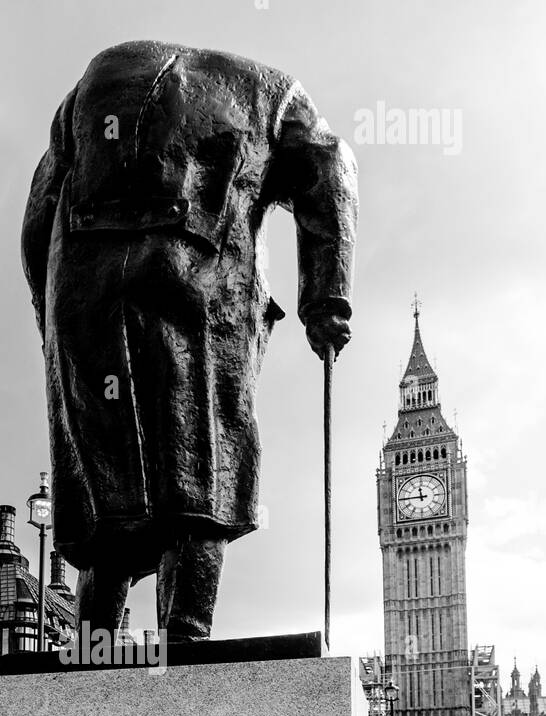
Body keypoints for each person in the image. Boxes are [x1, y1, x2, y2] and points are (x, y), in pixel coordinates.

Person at [22, 40, 357, 641]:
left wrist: (49, 314)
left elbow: (37, 215)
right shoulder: (275, 94)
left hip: (79, 285)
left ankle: (93, 641)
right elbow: (329, 169)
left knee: (103, 465)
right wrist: (326, 301)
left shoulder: (90, 82)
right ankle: (186, 634)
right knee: (202, 457)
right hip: (198, 282)